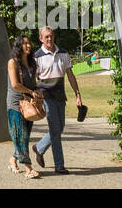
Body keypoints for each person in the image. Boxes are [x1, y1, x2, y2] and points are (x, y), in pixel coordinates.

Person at [31, 26, 83, 174]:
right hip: (47, 97)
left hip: (60, 96)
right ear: (41, 39)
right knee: (55, 129)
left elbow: (70, 75)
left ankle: (39, 147)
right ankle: (59, 165)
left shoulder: (63, 53)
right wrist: (35, 94)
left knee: (60, 128)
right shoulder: (37, 56)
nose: (49, 39)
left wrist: (77, 94)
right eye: (46, 36)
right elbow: (33, 79)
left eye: (51, 36)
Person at [7, 35, 42, 178]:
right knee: (20, 136)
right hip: (15, 104)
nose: (28, 46)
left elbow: (34, 83)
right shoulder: (12, 63)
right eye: (25, 43)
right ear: (19, 46)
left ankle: (12, 160)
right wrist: (30, 92)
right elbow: (15, 84)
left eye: (29, 43)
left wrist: (38, 91)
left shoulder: (32, 63)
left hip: (29, 105)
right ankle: (29, 169)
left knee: (25, 137)